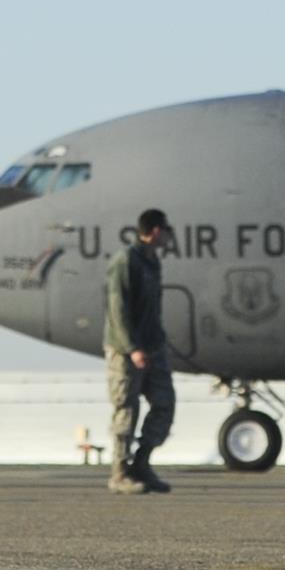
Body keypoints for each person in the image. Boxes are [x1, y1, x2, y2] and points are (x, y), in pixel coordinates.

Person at [103, 208, 177, 495]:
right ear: (156, 231)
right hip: (125, 350)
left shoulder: (151, 262)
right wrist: (132, 348)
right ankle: (119, 473)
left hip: (152, 347)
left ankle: (142, 464)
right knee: (126, 408)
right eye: (167, 230)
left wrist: (157, 342)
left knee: (164, 403)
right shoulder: (126, 261)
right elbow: (117, 308)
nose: (169, 236)